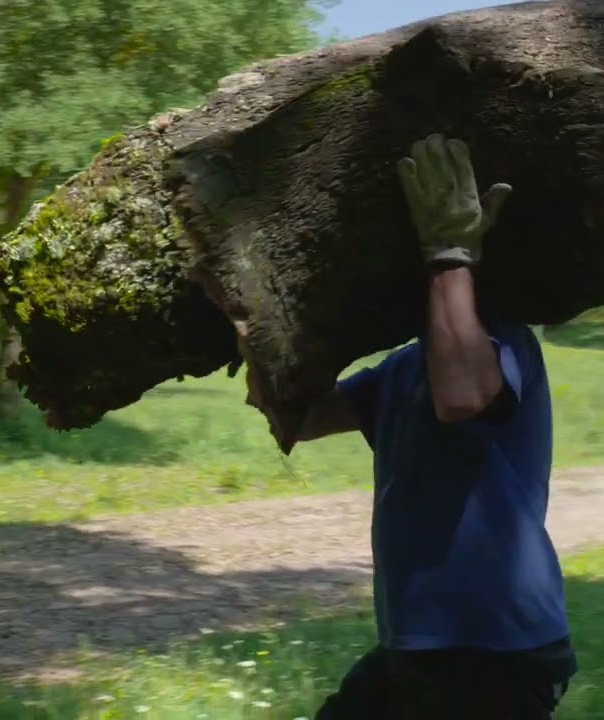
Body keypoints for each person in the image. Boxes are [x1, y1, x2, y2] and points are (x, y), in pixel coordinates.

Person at [247, 133, 576, 718]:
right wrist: (261, 316)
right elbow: (300, 419)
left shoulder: (507, 341)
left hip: (497, 650)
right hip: (421, 646)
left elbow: (461, 396)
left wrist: (449, 254)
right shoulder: (403, 368)